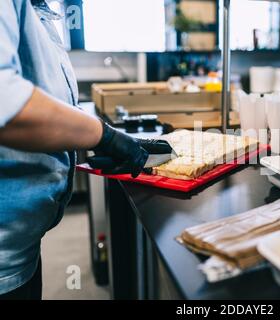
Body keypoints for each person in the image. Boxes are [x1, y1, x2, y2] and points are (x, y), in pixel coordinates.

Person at [0, 0, 171, 299]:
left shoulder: (38, 12)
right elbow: (8, 105)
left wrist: (92, 135)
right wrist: (103, 136)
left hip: (19, 250)